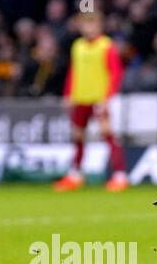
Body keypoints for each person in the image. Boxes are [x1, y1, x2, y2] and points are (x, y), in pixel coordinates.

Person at [53, 11, 128, 192]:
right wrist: (68, 94)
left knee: (107, 134)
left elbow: (116, 73)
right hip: (81, 98)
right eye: (86, 24)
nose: (89, 27)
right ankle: (76, 175)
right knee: (77, 136)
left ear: (99, 26)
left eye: (92, 24)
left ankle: (120, 176)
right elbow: (73, 72)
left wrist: (107, 97)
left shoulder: (106, 46)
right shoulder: (78, 46)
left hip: (99, 98)